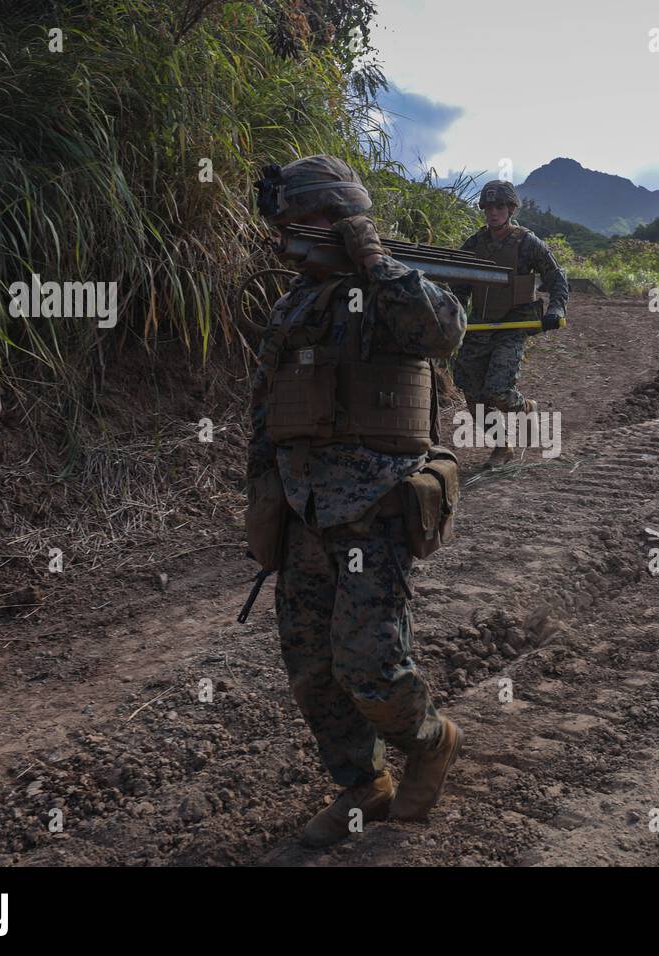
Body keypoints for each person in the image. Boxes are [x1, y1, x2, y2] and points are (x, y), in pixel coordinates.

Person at [247, 155, 466, 847]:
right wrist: (262, 495)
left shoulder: (392, 293)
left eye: (301, 222)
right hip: (306, 509)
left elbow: (444, 333)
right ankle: (361, 782)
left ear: (340, 221)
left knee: (369, 664)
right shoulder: (294, 304)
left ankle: (430, 743)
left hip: (375, 508)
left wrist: (374, 260)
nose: (287, 237)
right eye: (283, 225)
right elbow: (268, 404)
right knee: (311, 667)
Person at [452, 180, 568, 469]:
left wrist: (556, 308)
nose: (494, 212)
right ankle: (502, 447)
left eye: (500, 206)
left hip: (512, 326)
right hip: (480, 325)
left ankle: (526, 408)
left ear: (511, 209)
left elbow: (556, 276)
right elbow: (460, 284)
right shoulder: (475, 244)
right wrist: (453, 313)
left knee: (498, 391)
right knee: (473, 394)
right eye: (489, 207)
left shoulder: (527, 242)